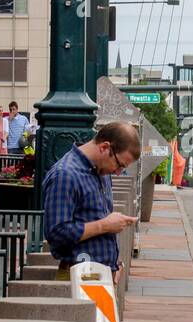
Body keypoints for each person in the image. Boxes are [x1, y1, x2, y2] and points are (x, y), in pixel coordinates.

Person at [43, 121, 139, 283]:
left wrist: (115, 264)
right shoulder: (65, 175)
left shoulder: (101, 170)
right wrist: (105, 225)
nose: (117, 172)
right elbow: (57, 234)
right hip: (79, 274)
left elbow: (97, 219)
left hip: (100, 274)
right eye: (119, 164)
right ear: (104, 147)